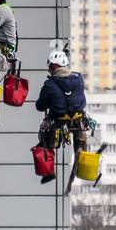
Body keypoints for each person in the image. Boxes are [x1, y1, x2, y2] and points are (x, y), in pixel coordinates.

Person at [35, 49, 89, 189]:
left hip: (57, 123)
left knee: (44, 142)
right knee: (81, 140)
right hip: (78, 122)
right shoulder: (78, 79)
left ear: (54, 67)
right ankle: (82, 164)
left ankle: (48, 172)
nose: (48, 70)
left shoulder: (49, 84)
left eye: (49, 67)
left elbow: (40, 106)